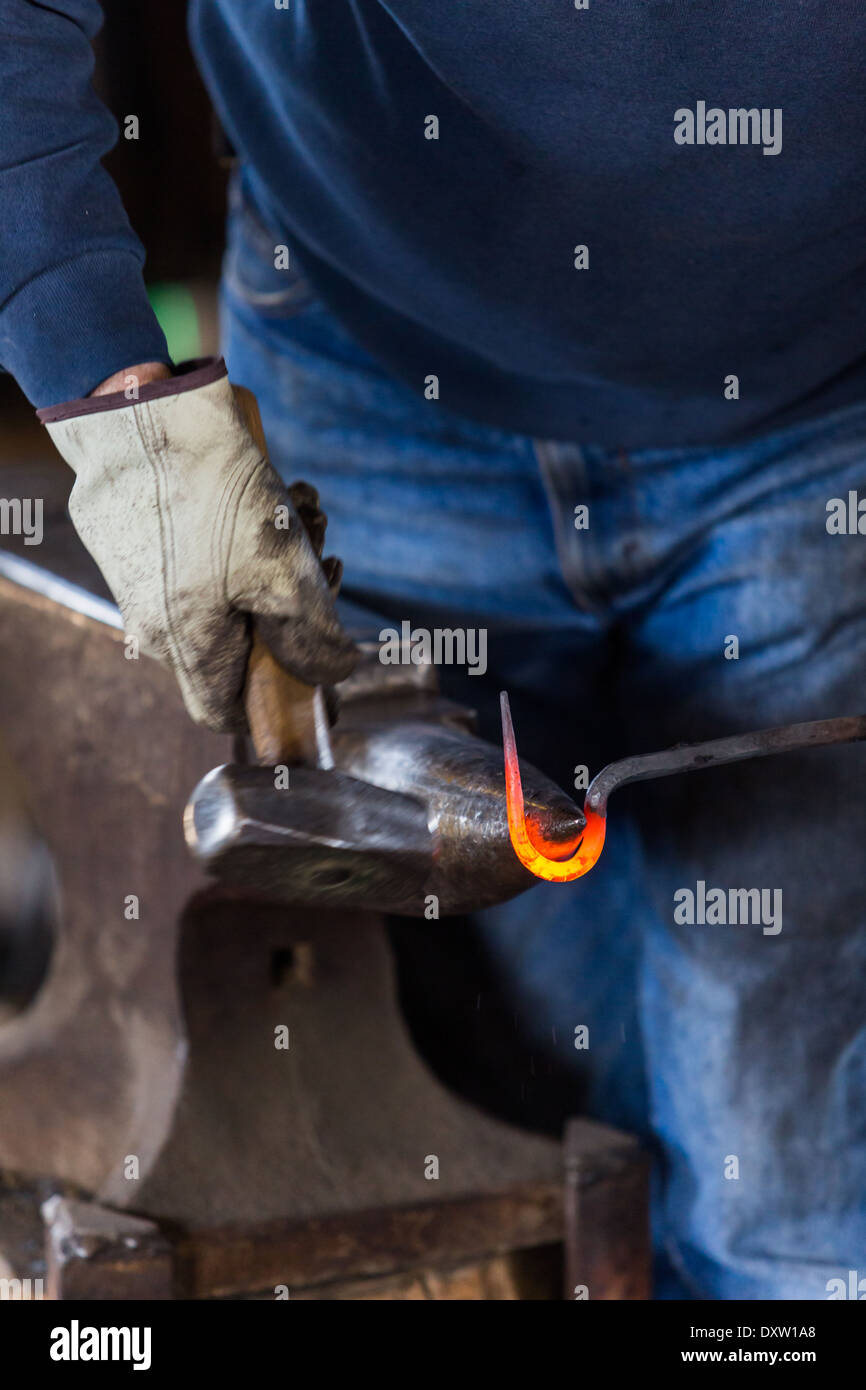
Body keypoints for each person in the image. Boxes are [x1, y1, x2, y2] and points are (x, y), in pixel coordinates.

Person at [4, 1, 865, 1300]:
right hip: (366, 357)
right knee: (495, 1118)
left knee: (784, 1213)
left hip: (810, 407)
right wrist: (107, 390)